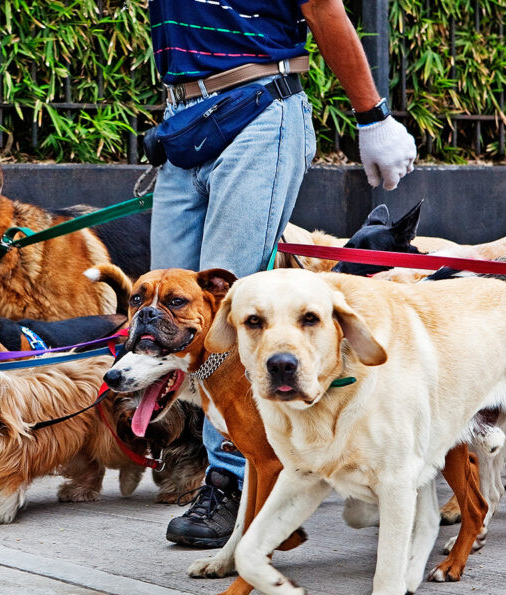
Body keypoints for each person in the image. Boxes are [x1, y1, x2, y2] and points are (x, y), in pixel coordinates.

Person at [150, 0, 418, 548]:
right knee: (173, 312)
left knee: (234, 312)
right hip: (184, 119)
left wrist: (372, 116)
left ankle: (236, 481)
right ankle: (240, 465)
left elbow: (321, 7)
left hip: (256, 106)